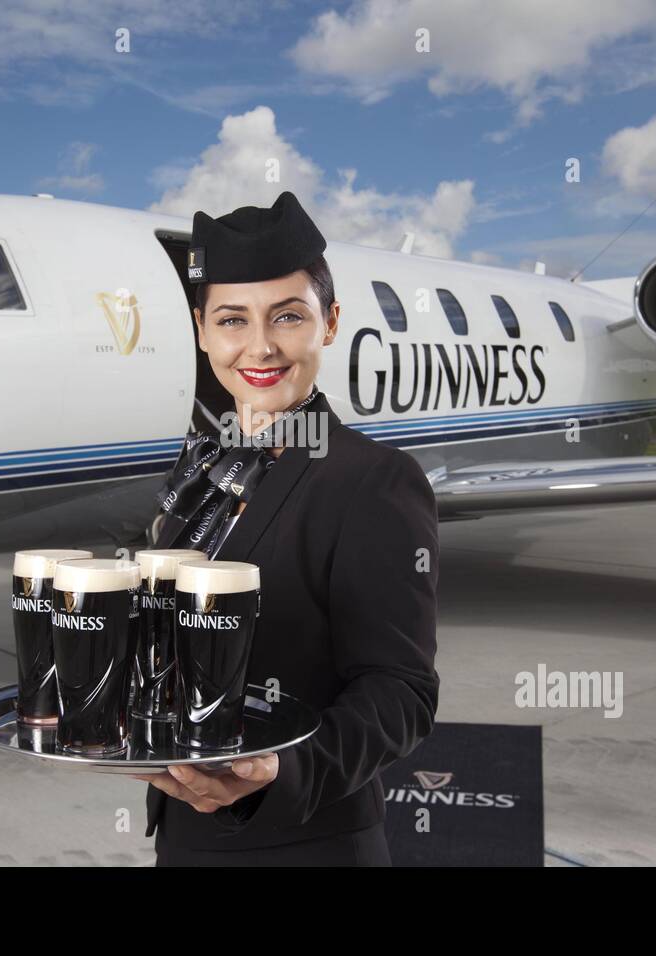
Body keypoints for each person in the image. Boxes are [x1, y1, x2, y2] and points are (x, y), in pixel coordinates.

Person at [137, 190, 440, 866]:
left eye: (288, 317)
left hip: (303, 843)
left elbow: (401, 691)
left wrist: (283, 769)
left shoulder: (372, 481)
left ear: (329, 324)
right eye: (232, 320)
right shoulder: (198, 474)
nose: (260, 347)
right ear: (201, 330)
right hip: (186, 839)